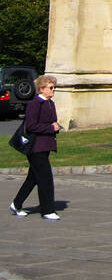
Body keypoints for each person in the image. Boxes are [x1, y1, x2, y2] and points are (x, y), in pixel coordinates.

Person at [10, 74, 61, 220]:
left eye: (54, 87)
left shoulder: (50, 103)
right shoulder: (35, 104)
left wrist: (56, 126)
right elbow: (31, 126)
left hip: (45, 146)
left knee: (33, 178)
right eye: (50, 87)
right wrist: (51, 128)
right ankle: (47, 210)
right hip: (35, 147)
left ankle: (16, 204)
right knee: (45, 179)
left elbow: (51, 122)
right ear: (41, 89)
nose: (53, 90)